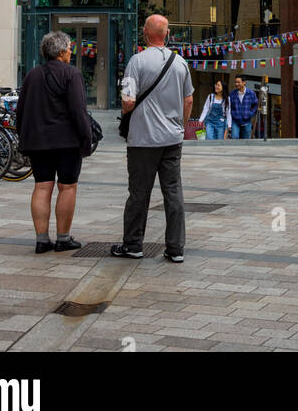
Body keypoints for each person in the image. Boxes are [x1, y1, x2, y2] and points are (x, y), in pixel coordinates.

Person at [111, 14, 193, 262]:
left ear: (145, 33)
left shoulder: (136, 62)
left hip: (143, 140)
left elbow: (128, 101)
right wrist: (180, 125)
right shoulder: (180, 63)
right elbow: (188, 99)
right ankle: (176, 249)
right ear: (167, 34)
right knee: (173, 192)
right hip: (172, 139)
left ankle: (133, 245)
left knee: (139, 193)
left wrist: (129, 113)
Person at [15, 30, 93, 254]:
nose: (71, 52)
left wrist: (24, 136)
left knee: (42, 186)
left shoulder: (32, 75)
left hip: (38, 141)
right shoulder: (71, 74)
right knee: (67, 186)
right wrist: (86, 138)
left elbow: (21, 110)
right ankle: (63, 238)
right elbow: (79, 111)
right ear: (60, 52)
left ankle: (41, 239)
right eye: (69, 49)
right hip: (67, 142)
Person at [229, 74, 259, 139]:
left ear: (244, 82)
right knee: (234, 137)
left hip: (246, 121)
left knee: (246, 140)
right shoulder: (232, 93)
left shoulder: (251, 93)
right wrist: (233, 113)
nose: (236, 84)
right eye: (235, 82)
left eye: (238, 82)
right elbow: (229, 106)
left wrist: (250, 114)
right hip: (235, 121)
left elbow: (256, 105)